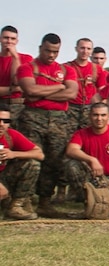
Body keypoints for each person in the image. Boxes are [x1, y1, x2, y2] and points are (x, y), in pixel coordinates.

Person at [16, 33, 77, 216]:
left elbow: (71, 94)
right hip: (32, 117)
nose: (51, 55)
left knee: (54, 161)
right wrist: (59, 87)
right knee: (31, 158)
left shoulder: (66, 70)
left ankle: (45, 202)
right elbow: (29, 90)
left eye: (56, 52)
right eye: (48, 51)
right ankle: (22, 201)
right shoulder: (27, 68)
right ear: (40, 48)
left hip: (59, 119)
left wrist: (40, 94)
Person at [64, 102, 109, 218]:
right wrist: (92, 159)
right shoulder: (82, 133)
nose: (99, 119)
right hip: (91, 178)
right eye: (95, 115)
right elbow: (71, 150)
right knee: (71, 164)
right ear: (89, 116)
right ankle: (86, 201)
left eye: (103, 115)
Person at [0, 107, 44, 220]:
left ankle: (16, 206)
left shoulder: (11, 135)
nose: (1, 124)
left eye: (6, 121)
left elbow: (39, 154)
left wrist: (14, 154)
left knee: (32, 164)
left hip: (5, 176)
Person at [65, 37, 105, 134]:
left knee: (88, 139)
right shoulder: (66, 67)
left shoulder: (97, 69)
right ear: (76, 49)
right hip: (69, 109)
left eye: (88, 49)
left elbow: (103, 92)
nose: (85, 51)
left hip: (89, 110)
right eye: (82, 48)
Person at [0, 25, 34, 124]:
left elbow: (17, 81)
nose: (9, 41)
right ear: (0, 39)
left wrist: (15, 58)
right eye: (6, 38)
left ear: (17, 41)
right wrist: (13, 89)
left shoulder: (26, 59)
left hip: (18, 106)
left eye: (13, 39)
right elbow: (17, 87)